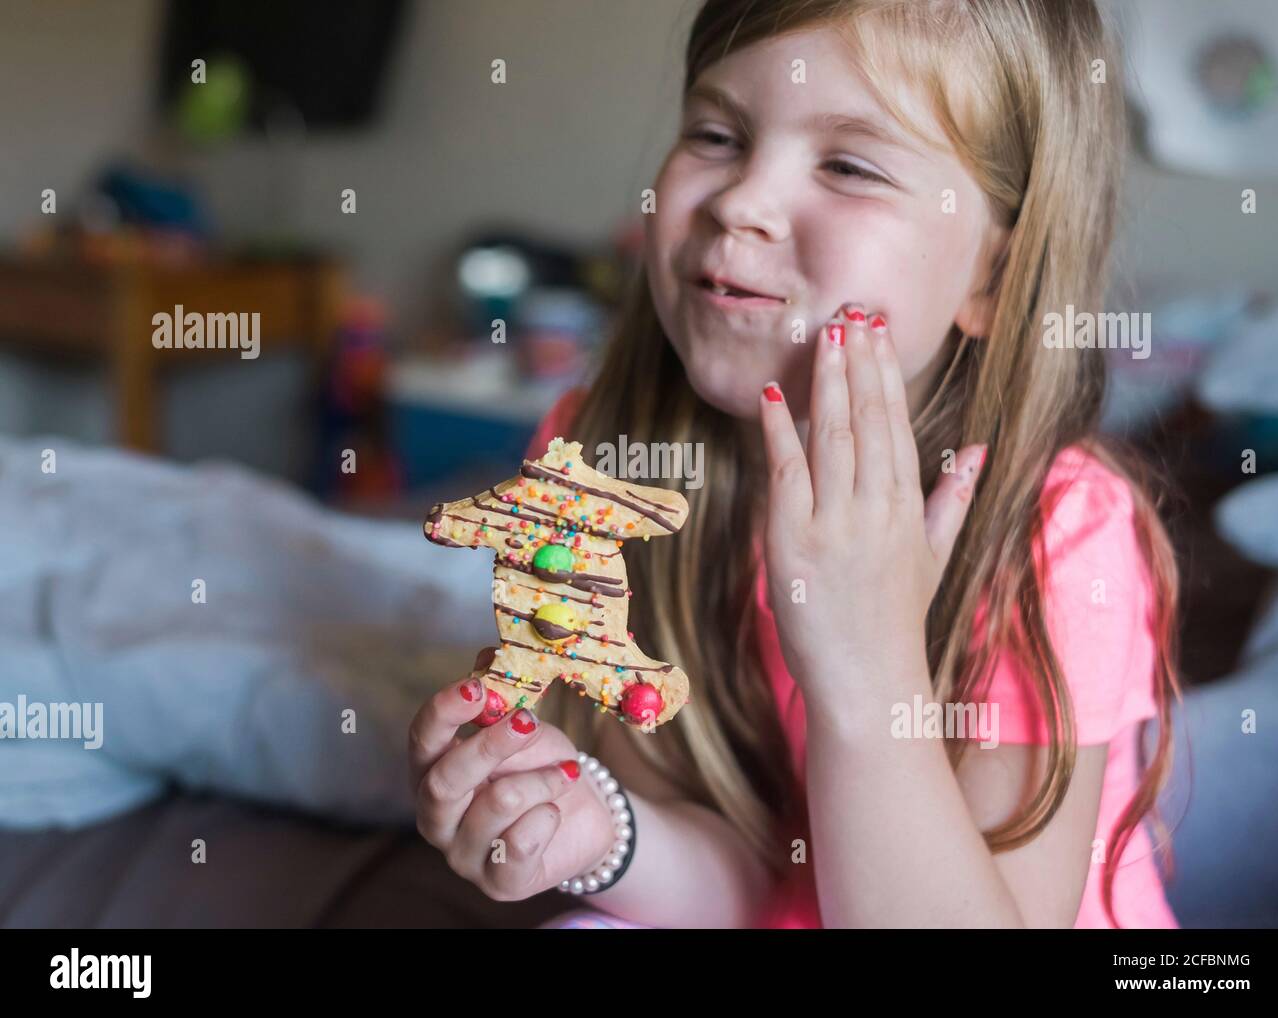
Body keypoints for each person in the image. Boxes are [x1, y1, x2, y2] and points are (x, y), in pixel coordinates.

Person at [409, 0, 1182, 928]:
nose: (741, 201)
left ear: (992, 279)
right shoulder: (598, 462)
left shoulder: (1055, 531)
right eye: (716, 134)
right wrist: (600, 830)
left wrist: (868, 674)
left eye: (849, 166)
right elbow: (760, 880)